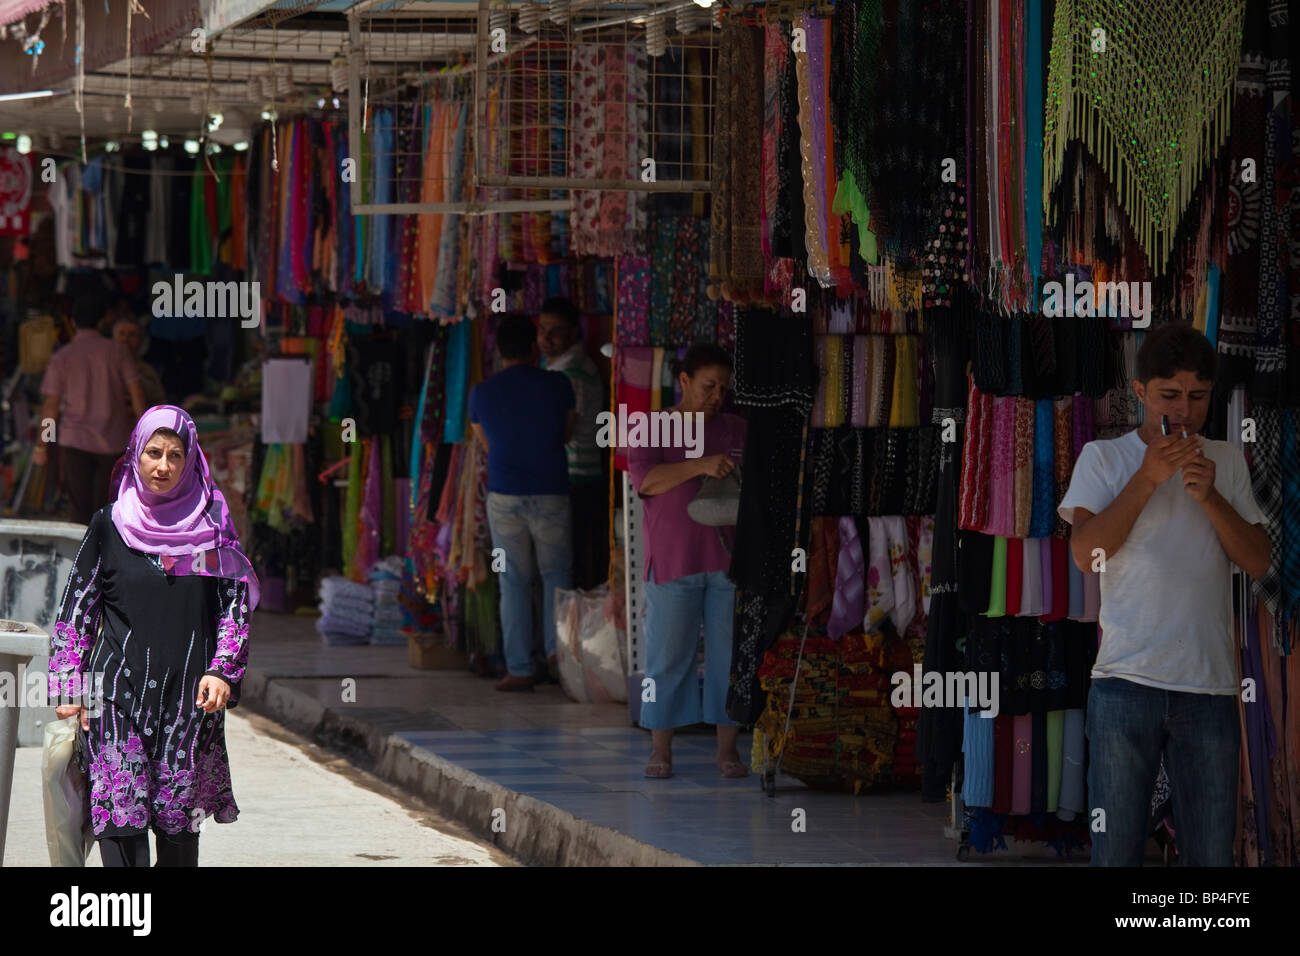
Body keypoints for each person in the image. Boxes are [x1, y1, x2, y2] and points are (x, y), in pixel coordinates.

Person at [1058, 324, 1270, 866]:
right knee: (1116, 855)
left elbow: (1260, 562)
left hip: (1209, 689)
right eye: (1169, 396)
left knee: (1210, 859)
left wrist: (1212, 499)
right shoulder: (1103, 460)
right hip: (1124, 686)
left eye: (1197, 397)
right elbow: (1087, 555)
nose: (1184, 409)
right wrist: (1147, 480)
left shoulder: (1226, 460)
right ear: (1140, 391)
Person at [49, 405, 259, 867]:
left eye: (175, 455)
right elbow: (77, 610)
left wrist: (223, 670)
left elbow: (234, 608)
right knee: (120, 818)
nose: (163, 466)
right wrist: (69, 686)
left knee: (178, 822)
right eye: (153, 453)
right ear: (135, 457)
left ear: (191, 461)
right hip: (115, 695)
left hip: (189, 701)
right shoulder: (110, 525)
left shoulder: (210, 532)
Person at [628, 343, 748, 779]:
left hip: (728, 562)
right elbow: (648, 480)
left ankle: (727, 752)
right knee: (666, 658)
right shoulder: (650, 426)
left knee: (728, 658)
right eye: (707, 386)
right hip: (674, 561)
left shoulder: (736, 429)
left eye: (722, 387)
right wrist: (700, 465)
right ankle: (660, 749)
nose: (716, 395)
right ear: (684, 382)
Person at [469, 314, 576, 692]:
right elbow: (566, 433)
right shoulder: (558, 384)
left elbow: (486, 444)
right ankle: (556, 658)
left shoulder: (481, 392)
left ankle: (518, 668)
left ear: (499, 351)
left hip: (504, 496)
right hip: (551, 492)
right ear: (534, 348)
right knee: (556, 576)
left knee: (512, 580)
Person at [36, 295, 148, 524]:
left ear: (73, 322)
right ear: (102, 322)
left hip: (74, 442)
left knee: (79, 511)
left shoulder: (62, 357)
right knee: (108, 509)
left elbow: (51, 408)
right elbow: (137, 395)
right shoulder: (118, 352)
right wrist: (148, 434)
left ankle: (82, 556)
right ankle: (105, 558)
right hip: (112, 443)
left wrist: (42, 444)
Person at [537, 297, 609, 591]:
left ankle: (576, 629)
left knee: (575, 564)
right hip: (580, 476)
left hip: (577, 477)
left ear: (573, 334)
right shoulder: (563, 368)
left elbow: (559, 432)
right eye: (542, 329)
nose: (546, 337)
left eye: (555, 331)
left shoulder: (570, 376)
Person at [113, 315, 168, 408]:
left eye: (132, 335)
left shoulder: (147, 371)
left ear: (140, 341)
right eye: (121, 334)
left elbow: (160, 402)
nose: (125, 339)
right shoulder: (103, 366)